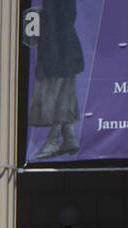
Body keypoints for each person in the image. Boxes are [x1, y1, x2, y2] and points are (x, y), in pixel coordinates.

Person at [28, 0, 84, 159]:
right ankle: (69, 138)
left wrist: (47, 56)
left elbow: (59, 24)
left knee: (58, 96)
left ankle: (52, 140)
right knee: (64, 95)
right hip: (60, 51)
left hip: (59, 53)